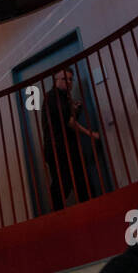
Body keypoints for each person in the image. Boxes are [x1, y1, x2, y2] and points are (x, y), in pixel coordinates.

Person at [40, 67, 101, 210]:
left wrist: (75, 109)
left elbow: (68, 119)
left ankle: (90, 210)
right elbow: (69, 122)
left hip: (66, 147)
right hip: (58, 148)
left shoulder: (63, 98)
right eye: (63, 79)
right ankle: (58, 217)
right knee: (64, 183)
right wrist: (91, 134)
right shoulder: (53, 96)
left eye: (70, 79)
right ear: (55, 81)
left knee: (79, 182)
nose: (68, 82)